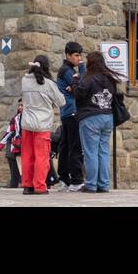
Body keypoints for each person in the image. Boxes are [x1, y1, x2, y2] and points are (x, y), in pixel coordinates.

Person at [74, 50, 119, 194]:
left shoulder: (89, 78)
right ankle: (104, 184)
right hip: (108, 117)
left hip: (91, 118)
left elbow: (79, 95)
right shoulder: (110, 79)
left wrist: (75, 81)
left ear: (91, 63)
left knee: (90, 152)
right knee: (104, 152)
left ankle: (91, 185)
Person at [21, 55, 65, 195]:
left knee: (27, 156)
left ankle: (27, 186)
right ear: (46, 67)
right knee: (42, 157)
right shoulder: (49, 84)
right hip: (42, 125)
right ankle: (39, 186)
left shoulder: (24, 81)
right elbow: (62, 101)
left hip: (26, 124)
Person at [56, 41, 86, 191]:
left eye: (80, 56)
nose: (79, 58)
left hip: (66, 112)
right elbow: (83, 87)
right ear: (68, 55)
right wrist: (82, 68)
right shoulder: (67, 71)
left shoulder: (65, 70)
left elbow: (76, 87)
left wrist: (73, 86)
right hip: (72, 112)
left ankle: (64, 179)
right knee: (75, 147)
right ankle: (76, 181)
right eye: (76, 55)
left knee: (66, 146)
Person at [0, 99, 23, 187]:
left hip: (29, 145)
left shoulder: (31, 117)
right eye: (19, 105)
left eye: (22, 105)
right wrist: (1, 145)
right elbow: (9, 131)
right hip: (18, 146)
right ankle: (19, 184)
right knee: (17, 167)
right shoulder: (15, 119)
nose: (20, 107)